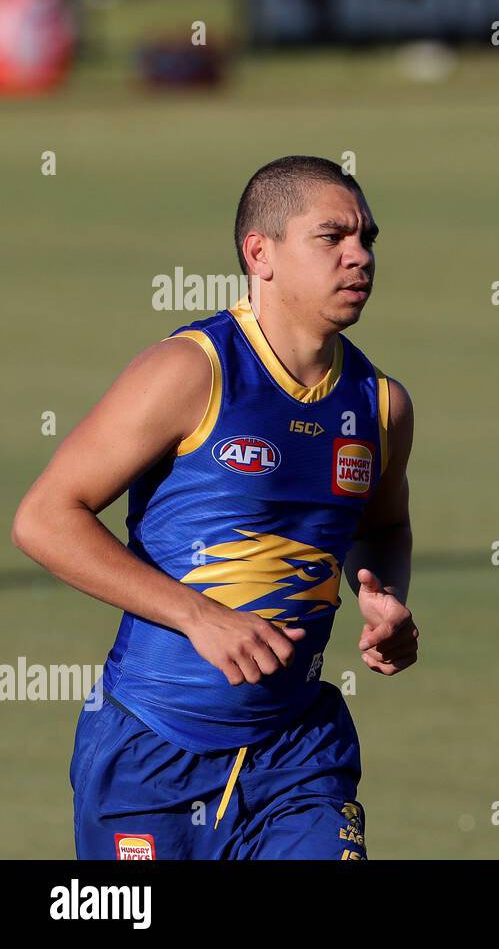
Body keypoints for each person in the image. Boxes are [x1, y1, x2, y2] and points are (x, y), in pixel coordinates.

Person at [12, 155, 417, 859]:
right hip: (150, 752)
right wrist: (198, 616)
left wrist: (383, 595)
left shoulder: (381, 405)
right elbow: (45, 519)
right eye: (332, 238)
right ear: (259, 253)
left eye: (367, 239)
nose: (359, 257)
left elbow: (384, 526)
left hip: (297, 755)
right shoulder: (191, 372)